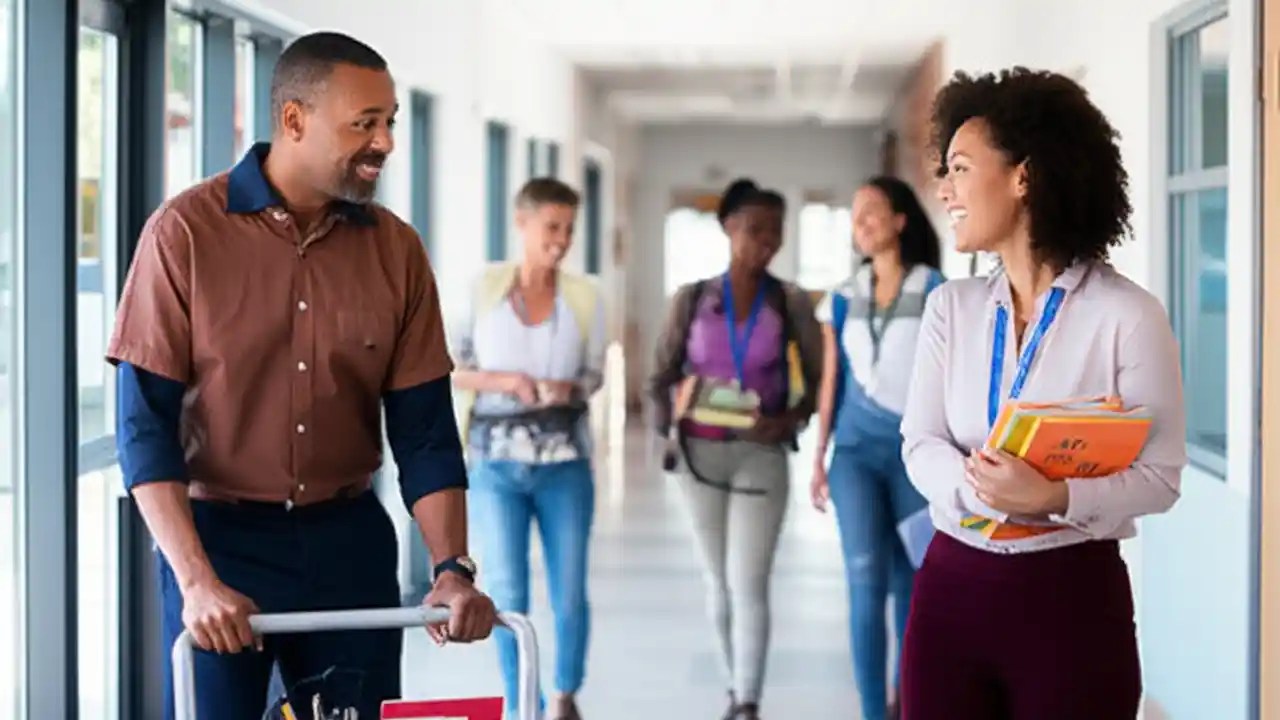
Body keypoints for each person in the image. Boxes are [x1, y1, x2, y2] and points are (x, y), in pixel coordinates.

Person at [107, 32, 497, 720]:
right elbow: (144, 428)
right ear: (294, 120)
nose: (385, 142)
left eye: (390, 121)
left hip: (348, 542)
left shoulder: (396, 251)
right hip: (219, 545)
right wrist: (196, 580)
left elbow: (426, 432)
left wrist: (451, 569)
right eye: (364, 124)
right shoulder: (184, 235)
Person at [898, 67, 1187, 719]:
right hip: (950, 591)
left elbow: (1162, 478)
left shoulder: (1128, 315)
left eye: (961, 168)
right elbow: (919, 443)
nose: (945, 191)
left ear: (1023, 177)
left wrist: (1055, 497)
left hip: (1072, 600)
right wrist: (981, 490)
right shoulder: (953, 307)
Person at [649, 178, 823, 720]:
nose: (764, 239)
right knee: (718, 582)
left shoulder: (788, 301)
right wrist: (669, 424)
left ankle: (747, 700)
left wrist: (790, 419)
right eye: (753, 228)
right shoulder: (693, 299)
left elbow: (818, 383)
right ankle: (732, 683)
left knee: (749, 581)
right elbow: (659, 376)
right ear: (728, 229)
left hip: (761, 456)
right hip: (699, 457)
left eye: (774, 230)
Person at [449, 178, 606, 720]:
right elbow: (454, 368)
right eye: (551, 227)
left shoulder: (585, 296)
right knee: (508, 591)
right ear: (522, 223)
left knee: (569, 590)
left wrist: (571, 389)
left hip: (565, 466)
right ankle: (524, 704)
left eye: (568, 229)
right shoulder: (482, 289)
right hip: (495, 465)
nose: (560, 240)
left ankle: (564, 694)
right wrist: (506, 382)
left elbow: (595, 375)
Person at [808, 176, 944, 720]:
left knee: (915, 581)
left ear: (900, 220)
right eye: (855, 215)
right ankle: (871, 711)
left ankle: (903, 704)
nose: (860, 224)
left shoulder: (934, 288)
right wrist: (818, 455)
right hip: (857, 457)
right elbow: (831, 379)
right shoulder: (841, 298)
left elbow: (947, 374)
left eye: (872, 212)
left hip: (918, 457)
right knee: (864, 578)